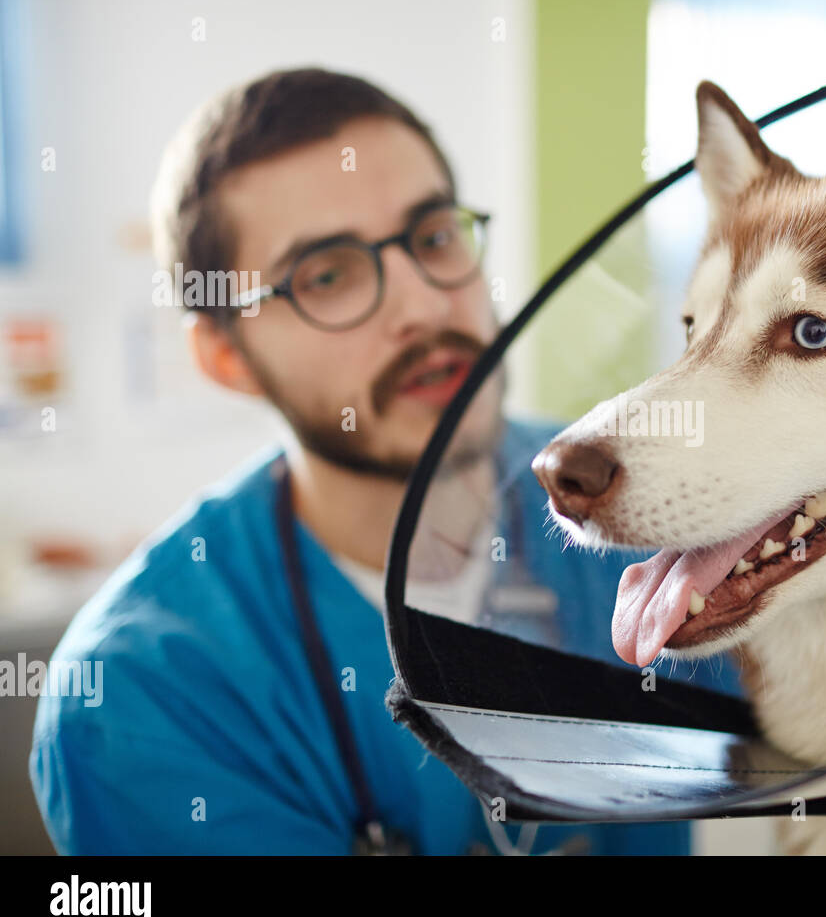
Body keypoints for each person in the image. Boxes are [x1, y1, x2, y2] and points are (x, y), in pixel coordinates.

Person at [27, 67, 742, 855]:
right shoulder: (144, 699)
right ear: (226, 355)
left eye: (435, 237)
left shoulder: (669, 516)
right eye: (327, 276)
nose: (425, 306)